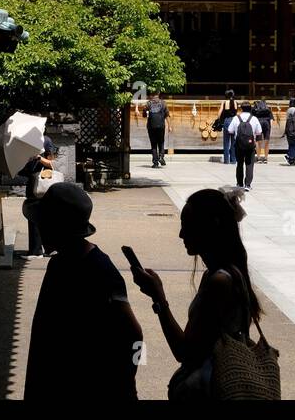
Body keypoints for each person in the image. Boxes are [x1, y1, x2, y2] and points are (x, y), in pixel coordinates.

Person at [128, 188, 260, 400]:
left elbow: (184, 351)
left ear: (211, 226)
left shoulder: (218, 281)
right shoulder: (224, 274)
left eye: (188, 225)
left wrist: (159, 299)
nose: (181, 234)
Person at [25, 183, 142, 401]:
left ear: (57, 227)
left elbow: (135, 337)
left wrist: (127, 382)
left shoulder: (101, 271)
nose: (39, 229)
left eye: (44, 223)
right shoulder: (58, 265)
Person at [20, 139, 56, 256]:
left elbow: (51, 163)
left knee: (43, 215)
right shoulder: (28, 142)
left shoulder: (46, 141)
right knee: (32, 214)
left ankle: (44, 249)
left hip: (42, 183)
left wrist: (38, 157)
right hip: (32, 182)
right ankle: (36, 249)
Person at [227, 104, 261, 191]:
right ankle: (248, 185)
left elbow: (230, 130)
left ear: (241, 109)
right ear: (250, 109)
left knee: (239, 164)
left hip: (238, 144)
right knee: (249, 164)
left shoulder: (236, 118)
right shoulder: (254, 118)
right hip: (250, 145)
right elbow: (259, 132)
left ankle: (239, 183)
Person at [146, 92, 170, 169]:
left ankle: (155, 162)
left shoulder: (148, 104)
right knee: (161, 142)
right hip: (161, 126)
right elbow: (167, 115)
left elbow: (144, 115)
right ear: (158, 94)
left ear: (151, 95)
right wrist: (170, 126)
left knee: (153, 145)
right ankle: (161, 157)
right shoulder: (163, 103)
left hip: (151, 127)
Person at [216, 91, 238, 165]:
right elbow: (236, 112)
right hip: (234, 120)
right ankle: (233, 160)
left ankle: (226, 160)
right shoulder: (235, 102)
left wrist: (219, 119)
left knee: (226, 141)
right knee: (233, 141)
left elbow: (219, 114)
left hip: (227, 120)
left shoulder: (224, 102)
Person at [282, 97, 295, 166]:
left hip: (289, 130)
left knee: (292, 145)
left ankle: (292, 160)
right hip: (294, 131)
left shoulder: (289, 109)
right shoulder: (293, 109)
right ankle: (289, 156)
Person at [252, 99, 274, 164]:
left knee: (258, 141)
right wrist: (270, 128)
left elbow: (252, 118)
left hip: (258, 123)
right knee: (267, 141)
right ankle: (265, 158)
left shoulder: (254, 109)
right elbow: (271, 120)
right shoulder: (267, 108)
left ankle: (258, 158)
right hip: (267, 123)